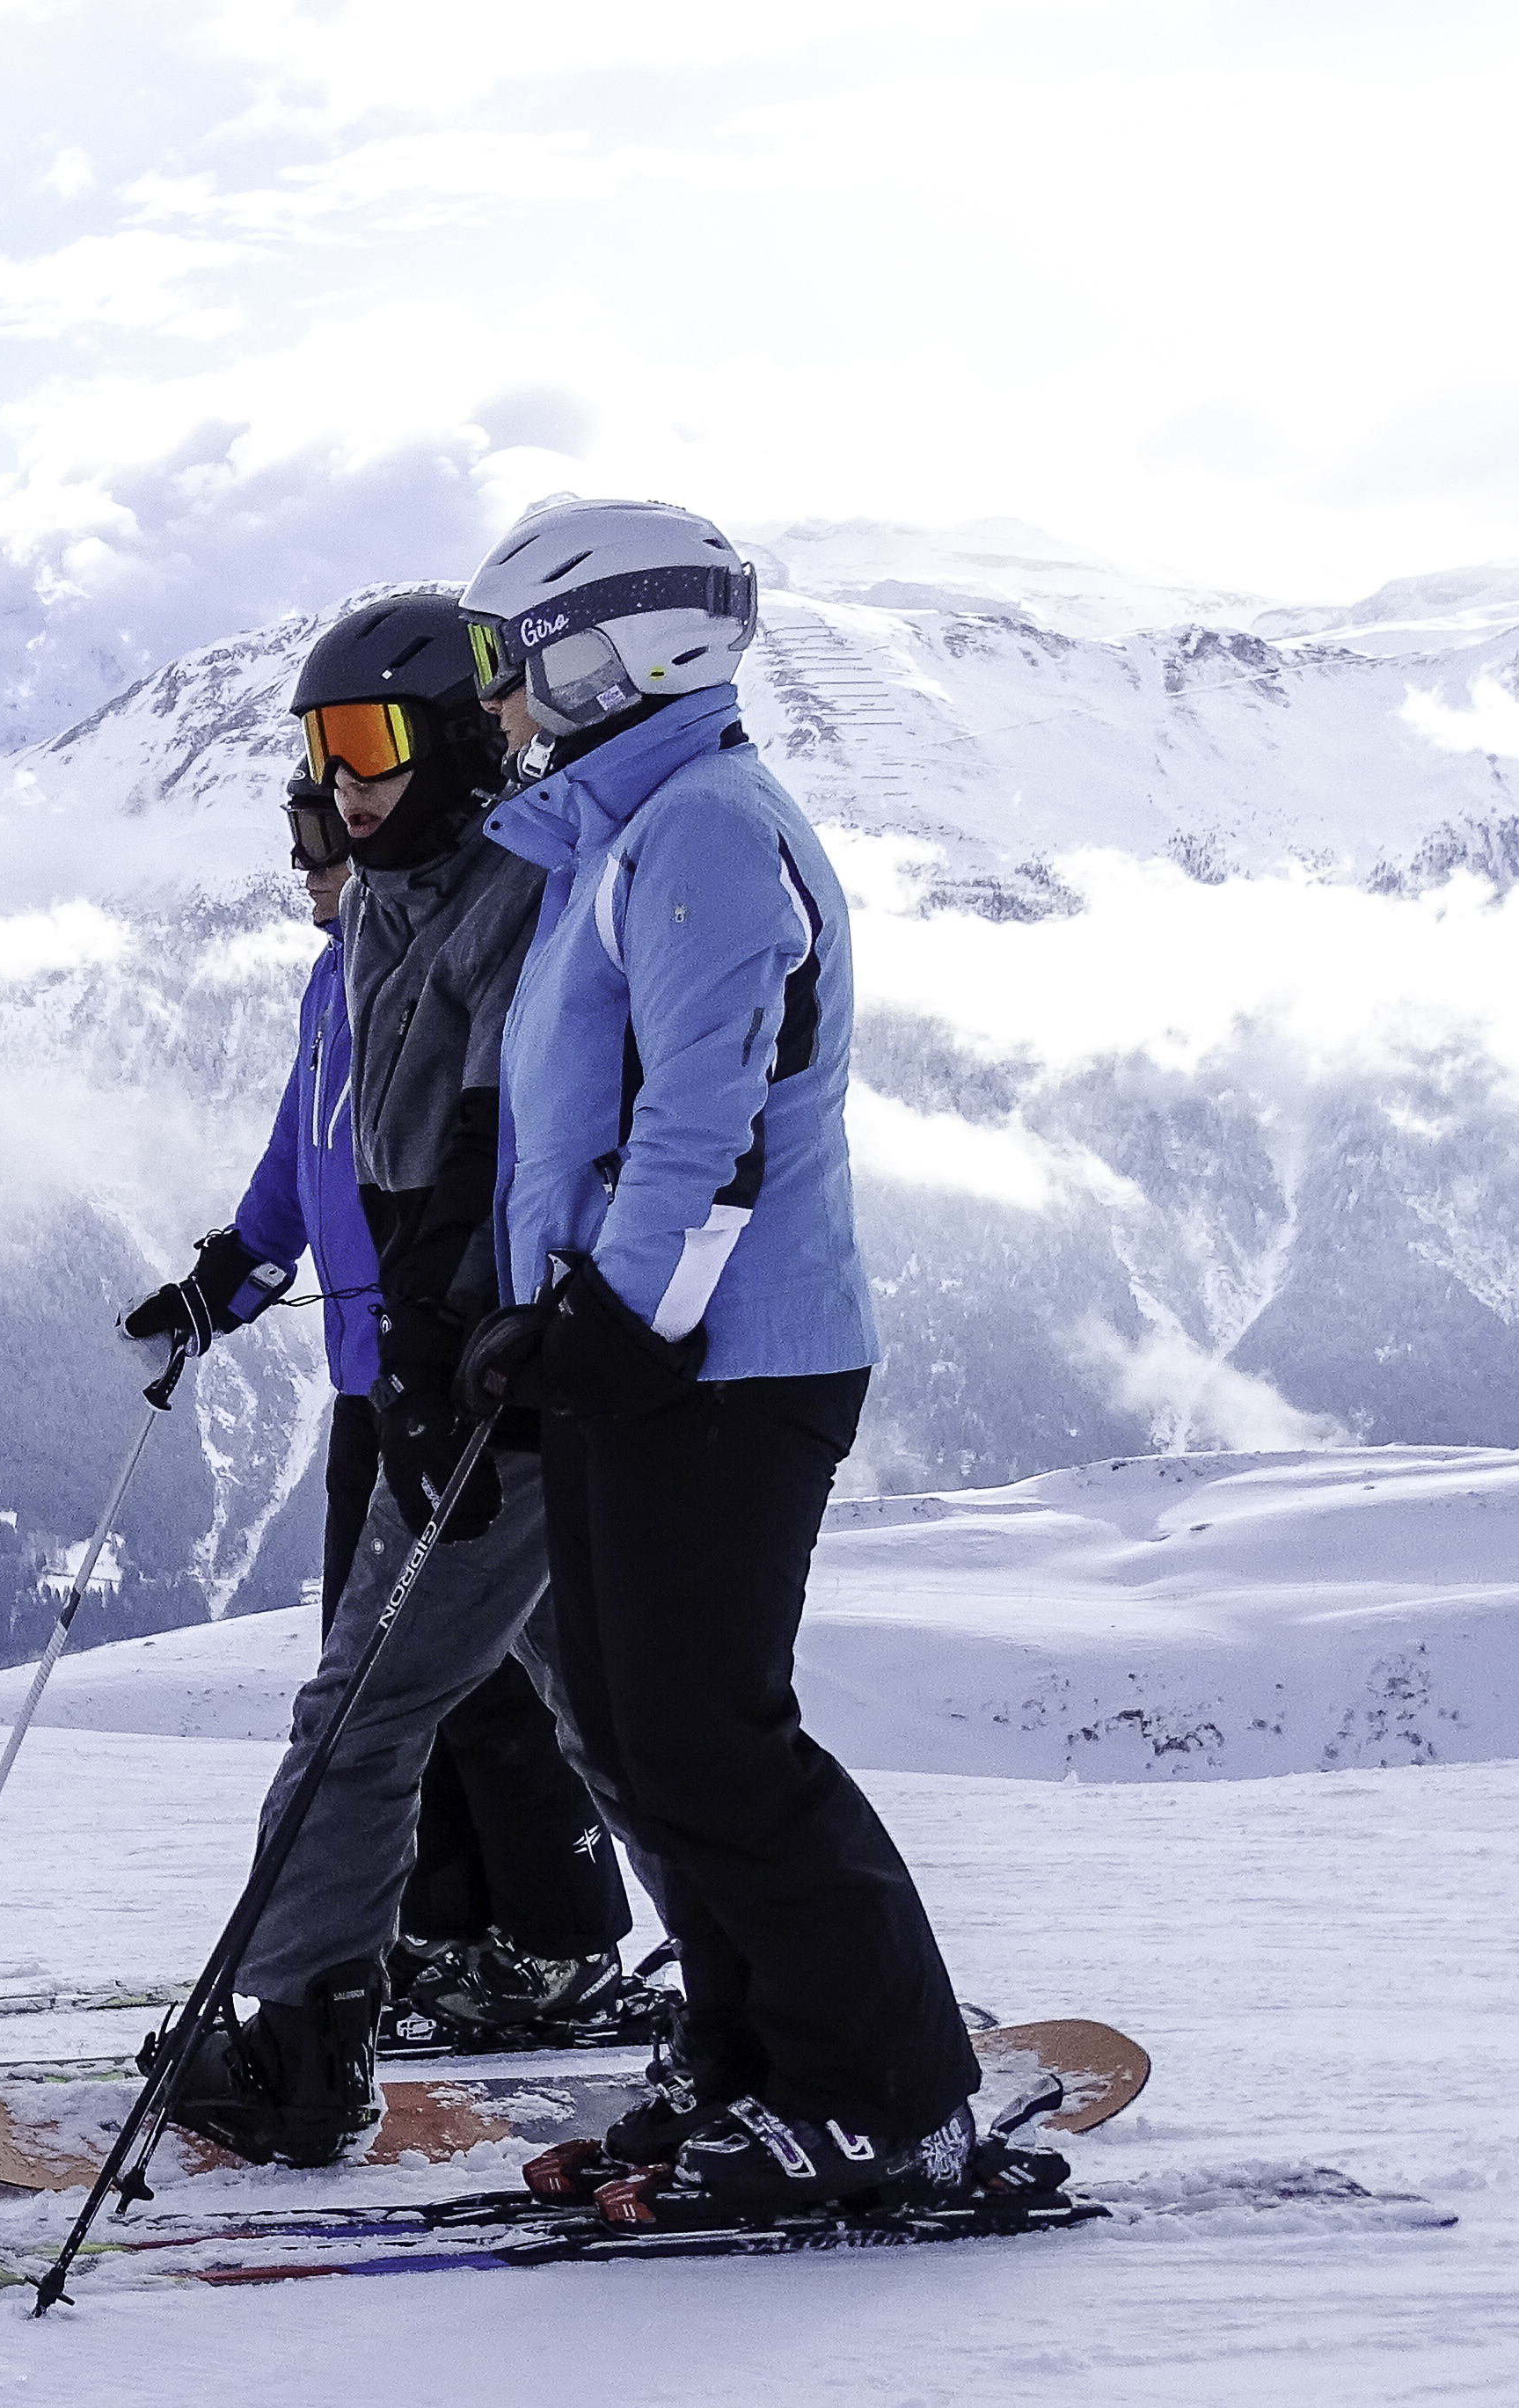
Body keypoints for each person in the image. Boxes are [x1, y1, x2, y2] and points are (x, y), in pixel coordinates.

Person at [449, 495, 1007, 2222]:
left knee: (709, 1735)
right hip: (650, 1350)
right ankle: (752, 2040)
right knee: (632, 1724)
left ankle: (889, 2094)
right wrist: (551, 1313)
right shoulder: (620, 832)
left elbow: (715, 1117)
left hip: (732, 1362)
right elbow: (592, 1125)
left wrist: (623, 1314)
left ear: (628, 650)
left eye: (516, 659)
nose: (501, 697)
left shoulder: (700, 826)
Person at [122, 590, 641, 2168]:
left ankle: (303, 2048)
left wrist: (452, 1336)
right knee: (591, 1713)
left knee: (366, 1713)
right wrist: (236, 1269)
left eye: (357, 749)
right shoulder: (369, 934)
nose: (332, 798)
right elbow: (320, 1146)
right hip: (411, 1369)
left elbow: (500, 1148)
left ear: (456, 745)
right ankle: (744, 1976)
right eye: (312, 758)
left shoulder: (517, 907)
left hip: (485, 1381)